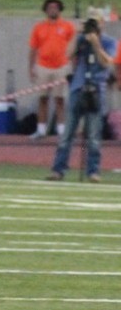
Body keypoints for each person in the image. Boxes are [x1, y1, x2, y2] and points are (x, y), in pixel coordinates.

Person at [47, 9, 116, 183]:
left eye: (95, 22)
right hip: (78, 88)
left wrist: (96, 44)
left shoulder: (109, 42)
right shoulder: (81, 40)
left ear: (102, 24)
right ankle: (58, 169)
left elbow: (107, 62)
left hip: (96, 89)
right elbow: (68, 55)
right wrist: (76, 35)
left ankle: (93, 171)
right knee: (67, 133)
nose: (93, 26)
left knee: (93, 134)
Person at [29, 0, 75, 139]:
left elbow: (73, 47)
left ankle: (61, 130)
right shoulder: (39, 27)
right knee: (42, 98)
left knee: (59, 98)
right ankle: (41, 129)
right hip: (43, 66)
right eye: (50, 8)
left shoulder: (67, 26)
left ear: (59, 9)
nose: (52, 10)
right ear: (46, 10)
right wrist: (31, 67)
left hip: (61, 66)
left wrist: (72, 66)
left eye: (55, 7)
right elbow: (33, 48)